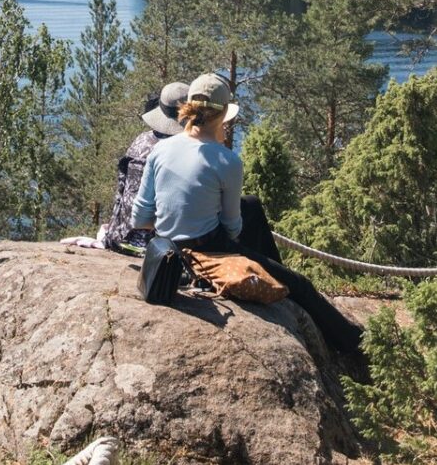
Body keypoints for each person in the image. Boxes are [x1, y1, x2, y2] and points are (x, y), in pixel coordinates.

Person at [132, 73, 364, 354]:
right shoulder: (227, 160)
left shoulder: (161, 149)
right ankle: (357, 347)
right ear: (223, 116)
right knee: (302, 285)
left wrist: (177, 221)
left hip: (166, 246)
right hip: (208, 249)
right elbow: (232, 228)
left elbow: (139, 219)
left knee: (250, 204)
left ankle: (275, 270)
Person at [99, 81, 188, 253]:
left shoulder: (141, 140)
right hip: (158, 247)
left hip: (122, 236)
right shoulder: (184, 150)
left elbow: (121, 191)